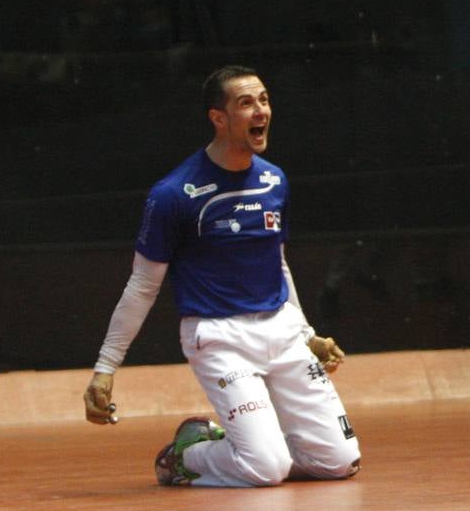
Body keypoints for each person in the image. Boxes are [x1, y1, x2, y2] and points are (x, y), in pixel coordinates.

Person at [83, 65, 361, 488]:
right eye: (246, 103)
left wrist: (306, 333)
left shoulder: (274, 180)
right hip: (218, 337)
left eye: (264, 100)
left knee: (340, 461)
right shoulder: (173, 194)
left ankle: (256, 446)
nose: (260, 110)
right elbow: (142, 286)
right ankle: (187, 455)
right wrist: (106, 367)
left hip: (281, 330)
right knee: (265, 470)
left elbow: (277, 264)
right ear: (219, 118)